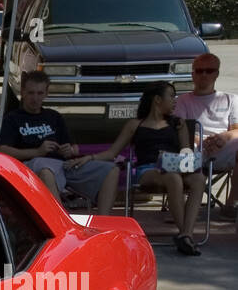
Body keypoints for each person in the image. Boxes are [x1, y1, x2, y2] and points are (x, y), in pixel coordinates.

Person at [95, 81, 207, 255]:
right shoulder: (135, 124)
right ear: (157, 99)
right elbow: (112, 153)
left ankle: (186, 234)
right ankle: (185, 236)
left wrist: (182, 156)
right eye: (171, 96)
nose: (175, 100)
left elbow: (186, 152)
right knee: (172, 177)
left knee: (199, 179)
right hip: (148, 170)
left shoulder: (178, 123)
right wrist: (89, 157)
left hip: (175, 166)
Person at [0, 70, 121, 215]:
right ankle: (61, 221)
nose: (35, 98)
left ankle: (103, 222)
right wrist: (37, 151)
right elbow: (2, 150)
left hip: (62, 165)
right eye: (31, 93)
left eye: (39, 93)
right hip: (31, 165)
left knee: (111, 170)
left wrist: (68, 150)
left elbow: (69, 147)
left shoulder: (54, 116)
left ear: (46, 94)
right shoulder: (13, 118)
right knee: (45, 169)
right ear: (23, 92)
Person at [174, 53, 238, 220]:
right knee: (181, 148)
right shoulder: (182, 100)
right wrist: (202, 140)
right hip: (194, 146)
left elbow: (236, 129)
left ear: (216, 73)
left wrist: (223, 137)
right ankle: (182, 206)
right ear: (192, 74)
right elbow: (180, 129)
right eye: (199, 70)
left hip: (223, 146)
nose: (204, 74)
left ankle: (231, 204)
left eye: (209, 71)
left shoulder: (230, 99)